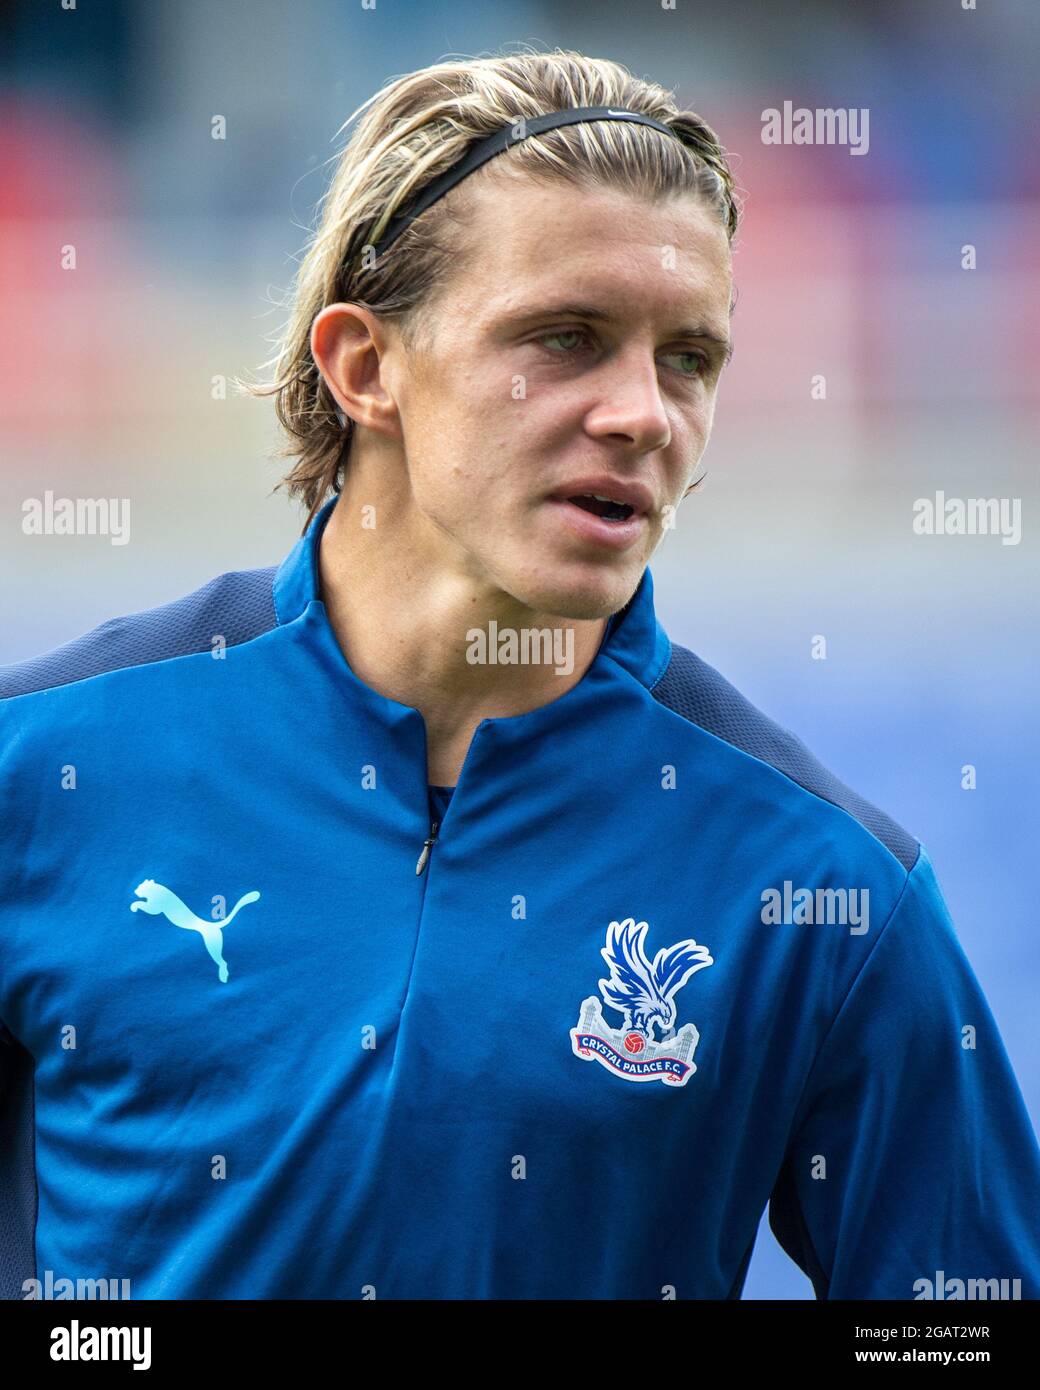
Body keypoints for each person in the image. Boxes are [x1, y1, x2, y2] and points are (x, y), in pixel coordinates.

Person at [1, 49, 1038, 1302]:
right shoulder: (45, 766)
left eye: (688, 359)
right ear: (363, 365)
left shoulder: (823, 884)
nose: (642, 414)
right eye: (566, 339)